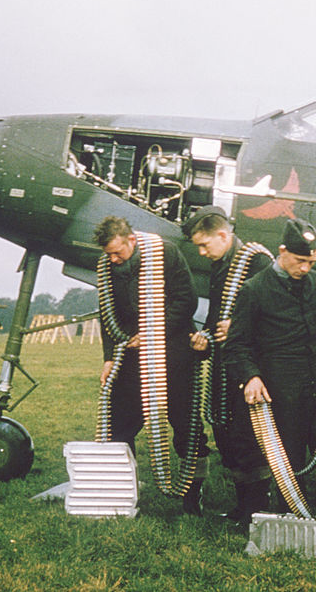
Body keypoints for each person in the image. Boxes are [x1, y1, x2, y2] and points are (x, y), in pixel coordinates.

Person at [223, 218, 316, 519]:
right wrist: (251, 377)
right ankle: (294, 524)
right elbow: (236, 345)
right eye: (300, 261)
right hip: (282, 389)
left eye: (312, 262)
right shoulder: (254, 290)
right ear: (282, 251)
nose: (306, 268)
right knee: (290, 463)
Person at [93, 216, 210, 514]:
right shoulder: (107, 267)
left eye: (118, 252)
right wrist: (109, 357)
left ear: (131, 240)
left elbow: (186, 301)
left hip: (173, 356)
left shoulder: (165, 253)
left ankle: (192, 494)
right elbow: (107, 315)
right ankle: (122, 494)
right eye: (109, 254)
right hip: (131, 358)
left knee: (187, 427)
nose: (114, 259)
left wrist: (153, 332)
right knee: (118, 427)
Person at [182, 205, 273, 523]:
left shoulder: (257, 260)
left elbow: (272, 313)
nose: (202, 252)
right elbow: (215, 315)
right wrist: (205, 335)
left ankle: (256, 510)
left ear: (223, 235)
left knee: (247, 438)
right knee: (227, 436)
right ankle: (243, 506)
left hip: (248, 364)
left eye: (204, 244)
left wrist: (236, 327)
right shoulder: (222, 265)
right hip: (224, 363)